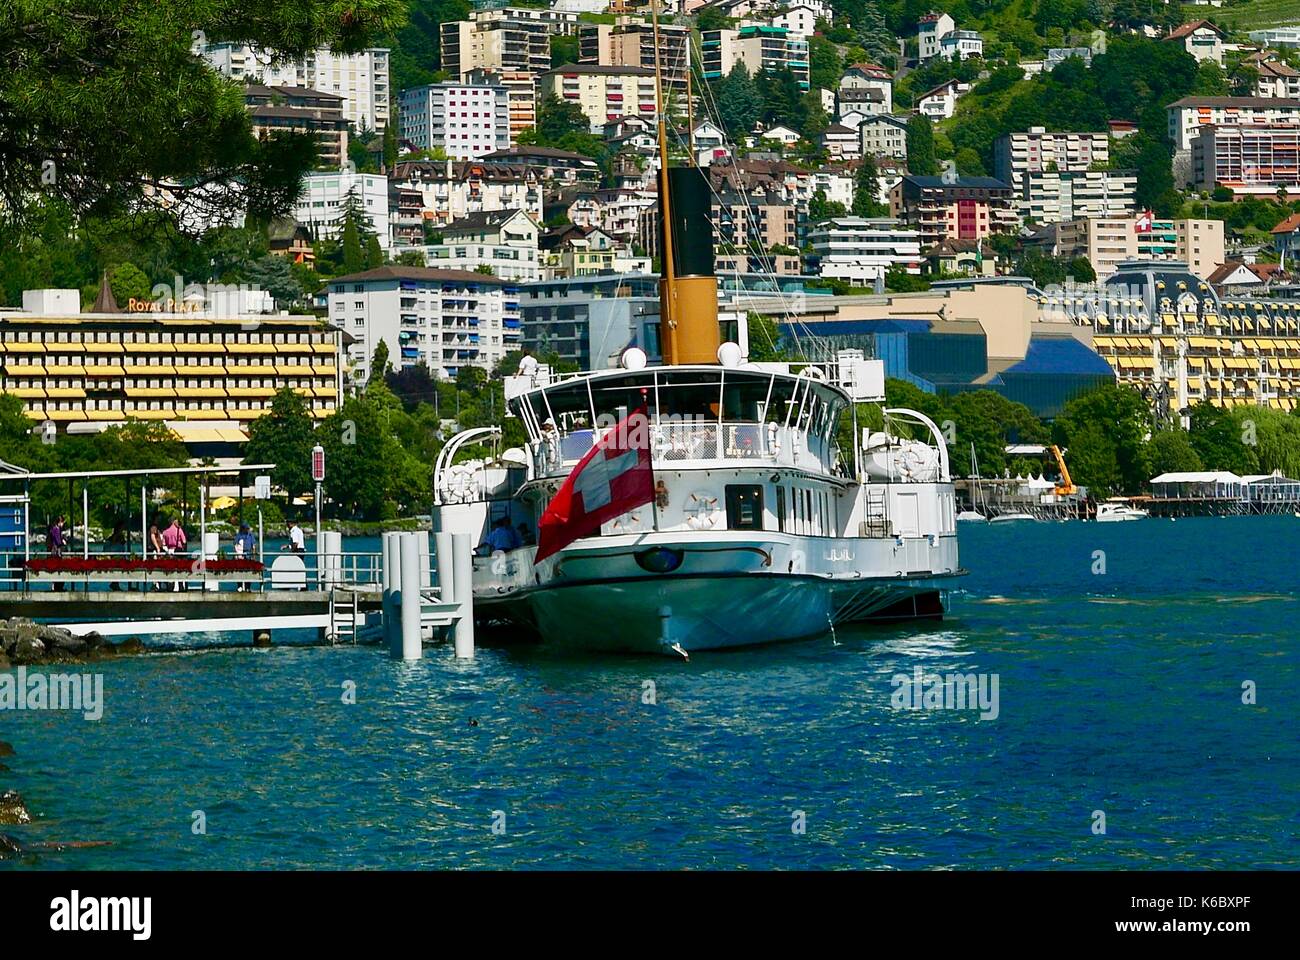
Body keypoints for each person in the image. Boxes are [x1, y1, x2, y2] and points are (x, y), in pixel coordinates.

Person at [161, 518, 187, 592]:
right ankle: (181, 585)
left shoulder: (165, 532)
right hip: (178, 551)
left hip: (170, 552)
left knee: (171, 569)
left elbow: (164, 544)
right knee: (180, 569)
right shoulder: (179, 530)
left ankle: (170, 586)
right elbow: (184, 541)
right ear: (173, 522)